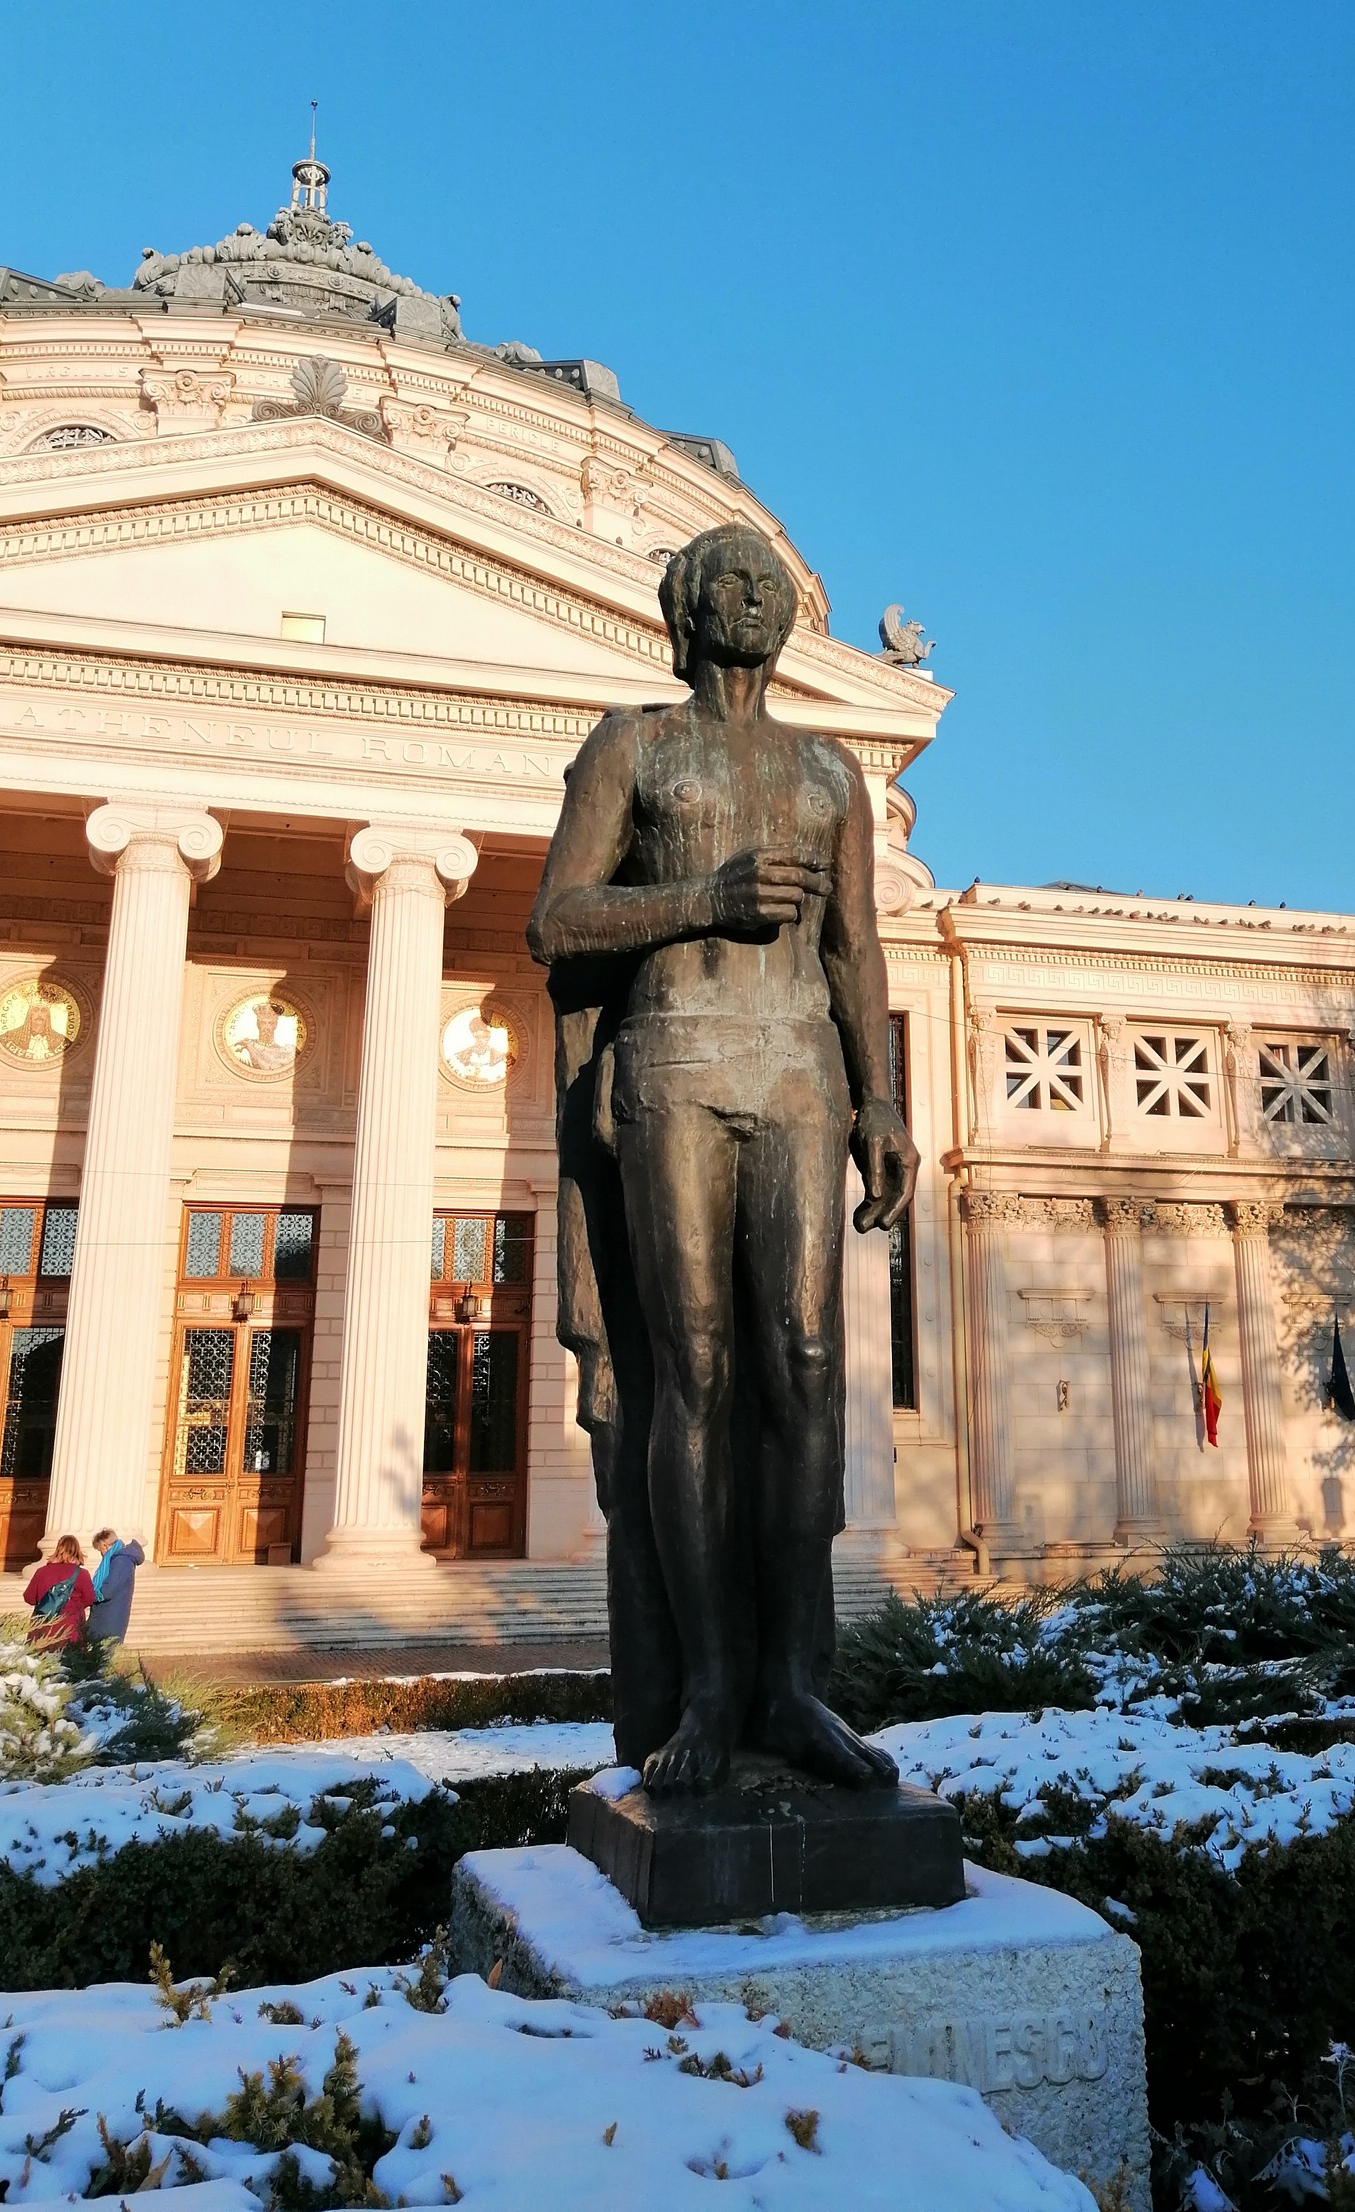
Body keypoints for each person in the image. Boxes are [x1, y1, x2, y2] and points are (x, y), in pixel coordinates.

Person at [528, 522, 918, 1794]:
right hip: (675, 1065)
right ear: (686, 613)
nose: (754, 593)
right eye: (726, 579)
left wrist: (884, 1103)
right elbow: (559, 918)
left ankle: (793, 1681)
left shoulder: (828, 774)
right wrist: (708, 897)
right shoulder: (633, 747)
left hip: (800, 1073)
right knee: (688, 1368)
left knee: (803, 1365)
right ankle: (702, 1687)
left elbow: (857, 947)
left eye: (769, 580)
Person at [22, 1535, 94, 1651]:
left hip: (43, 1625)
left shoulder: (42, 1572)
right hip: (71, 1626)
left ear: (58, 1549)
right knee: (69, 1663)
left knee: (41, 1664)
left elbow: (29, 1598)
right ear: (77, 1551)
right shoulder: (82, 1574)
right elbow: (89, 1598)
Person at [88, 1528, 144, 1645]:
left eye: (100, 1550)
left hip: (109, 1616)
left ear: (105, 1545)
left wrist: (89, 1595)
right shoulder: (118, 1559)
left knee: (103, 1653)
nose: (101, 1554)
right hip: (109, 1614)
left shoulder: (120, 1561)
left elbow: (108, 1590)